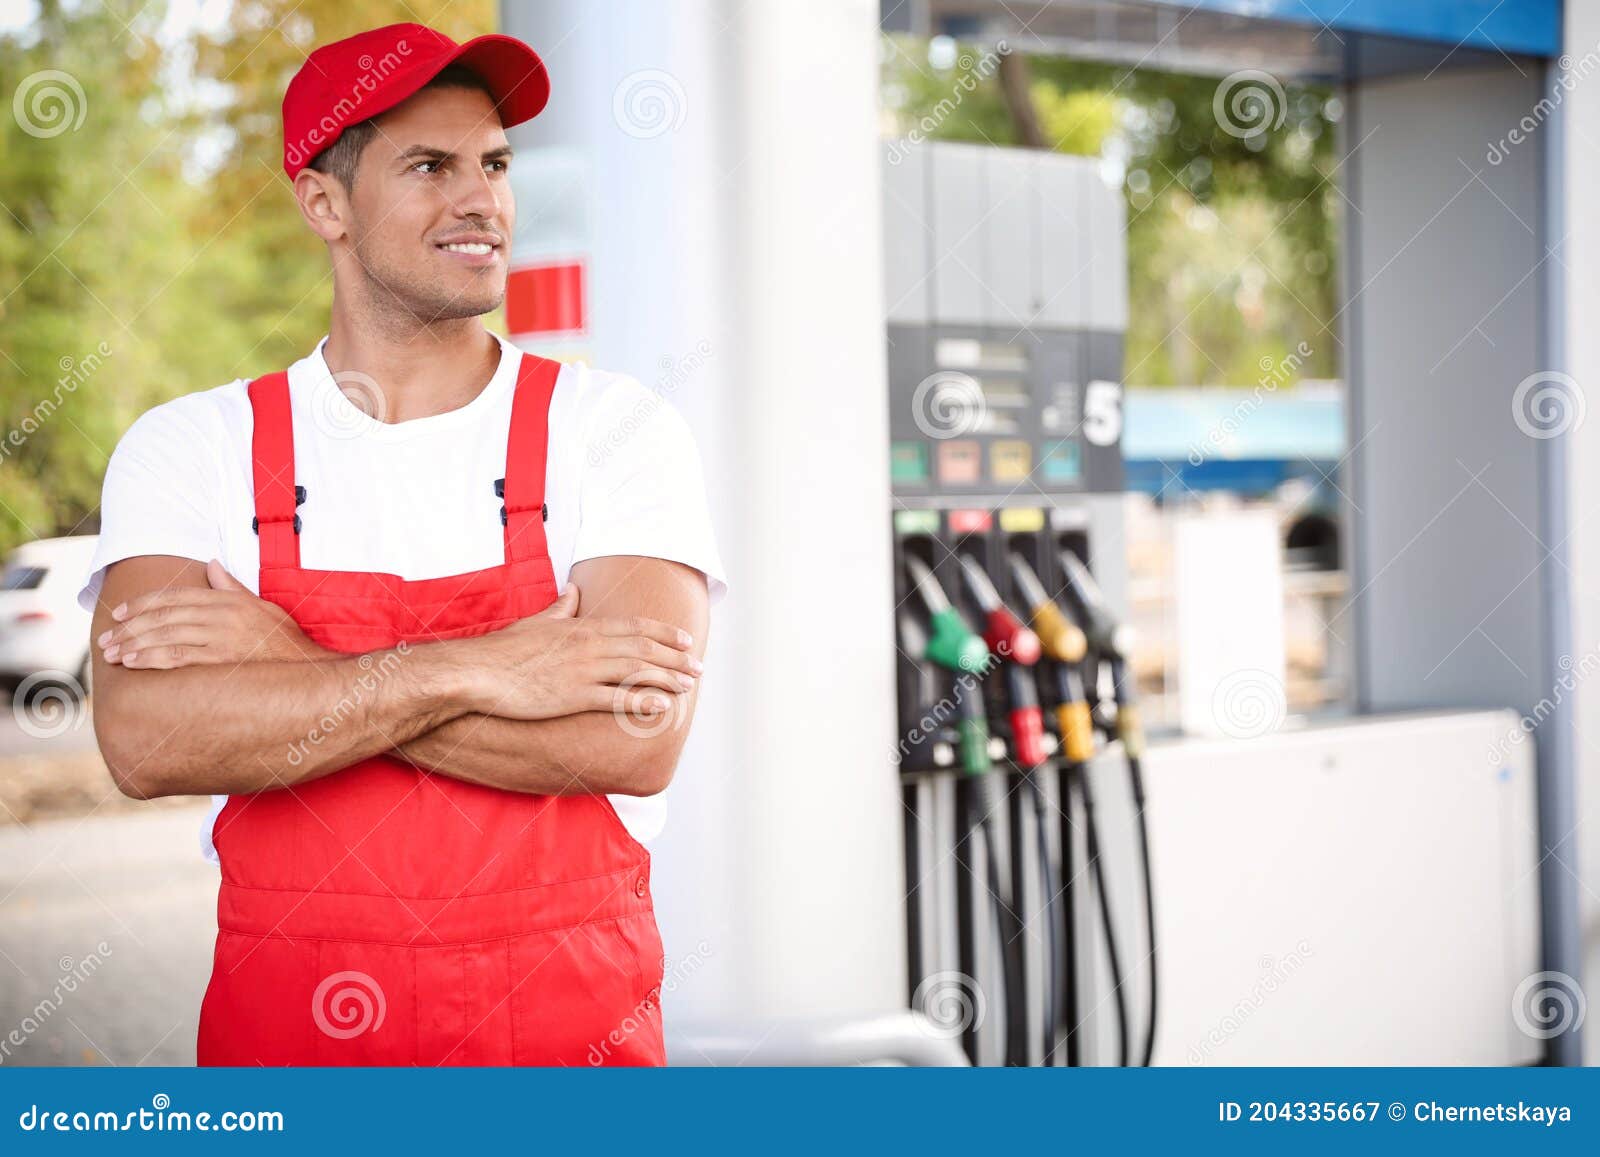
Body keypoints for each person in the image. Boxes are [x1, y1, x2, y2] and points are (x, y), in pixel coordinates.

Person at [80, 22, 724, 1067]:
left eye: (495, 164)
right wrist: (488, 666)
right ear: (324, 203)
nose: (482, 201)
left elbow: (633, 739)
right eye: (429, 165)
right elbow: (149, 742)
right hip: (293, 1047)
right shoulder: (192, 447)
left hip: (566, 1040)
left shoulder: (613, 431)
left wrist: (291, 667)